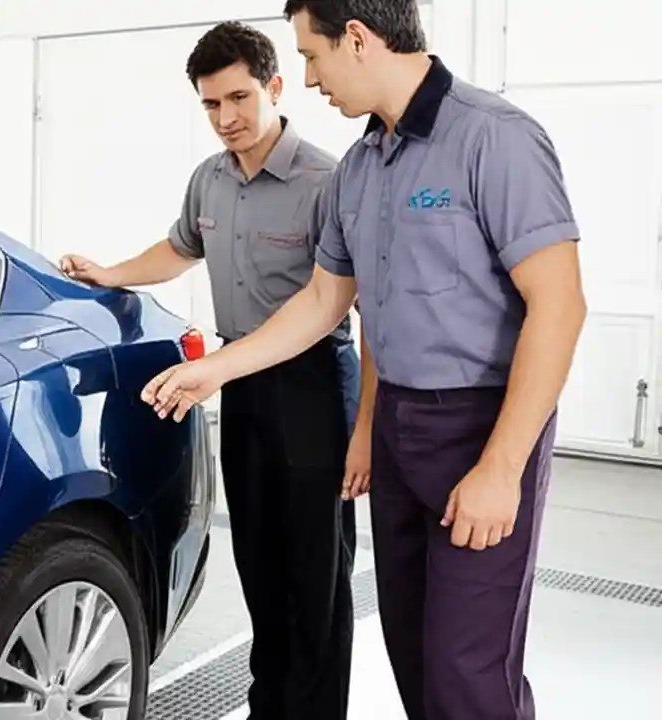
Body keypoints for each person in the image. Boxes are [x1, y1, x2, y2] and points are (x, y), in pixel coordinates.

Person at [141, 2, 587, 719]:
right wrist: (215, 371)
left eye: (311, 56)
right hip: (399, 423)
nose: (310, 78)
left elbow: (559, 306)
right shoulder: (359, 166)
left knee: (465, 668)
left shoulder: (493, 137)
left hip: (481, 424)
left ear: (358, 38)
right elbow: (324, 302)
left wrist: (502, 468)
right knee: (412, 651)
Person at [59, 21, 362, 720]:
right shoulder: (210, 180)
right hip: (240, 380)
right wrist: (112, 272)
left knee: (316, 571)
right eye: (210, 105)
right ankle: (271, 705)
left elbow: (352, 305)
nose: (225, 119)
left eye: (238, 98)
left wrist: (369, 422)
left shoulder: (327, 181)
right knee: (257, 556)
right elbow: (178, 249)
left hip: (315, 384)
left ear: (275, 87)